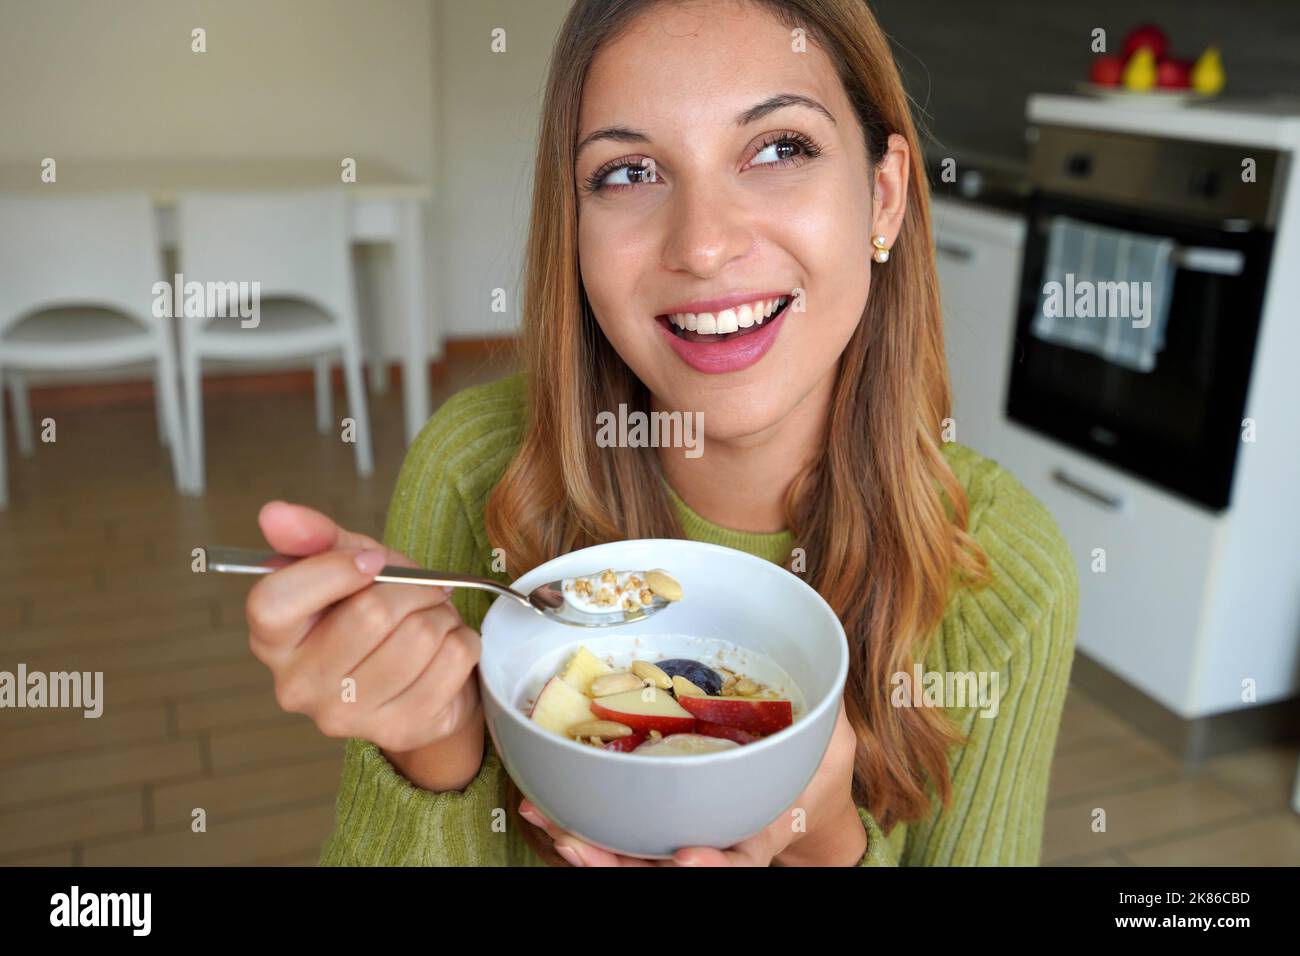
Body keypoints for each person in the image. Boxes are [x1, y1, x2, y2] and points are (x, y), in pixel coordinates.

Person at [246, 0, 1078, 867]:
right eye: (629, 171)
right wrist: (438, 749)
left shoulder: (1009, 574)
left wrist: (823, 846)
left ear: (883, 194)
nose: (705, 245)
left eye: (779, 149)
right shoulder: (473, 469)